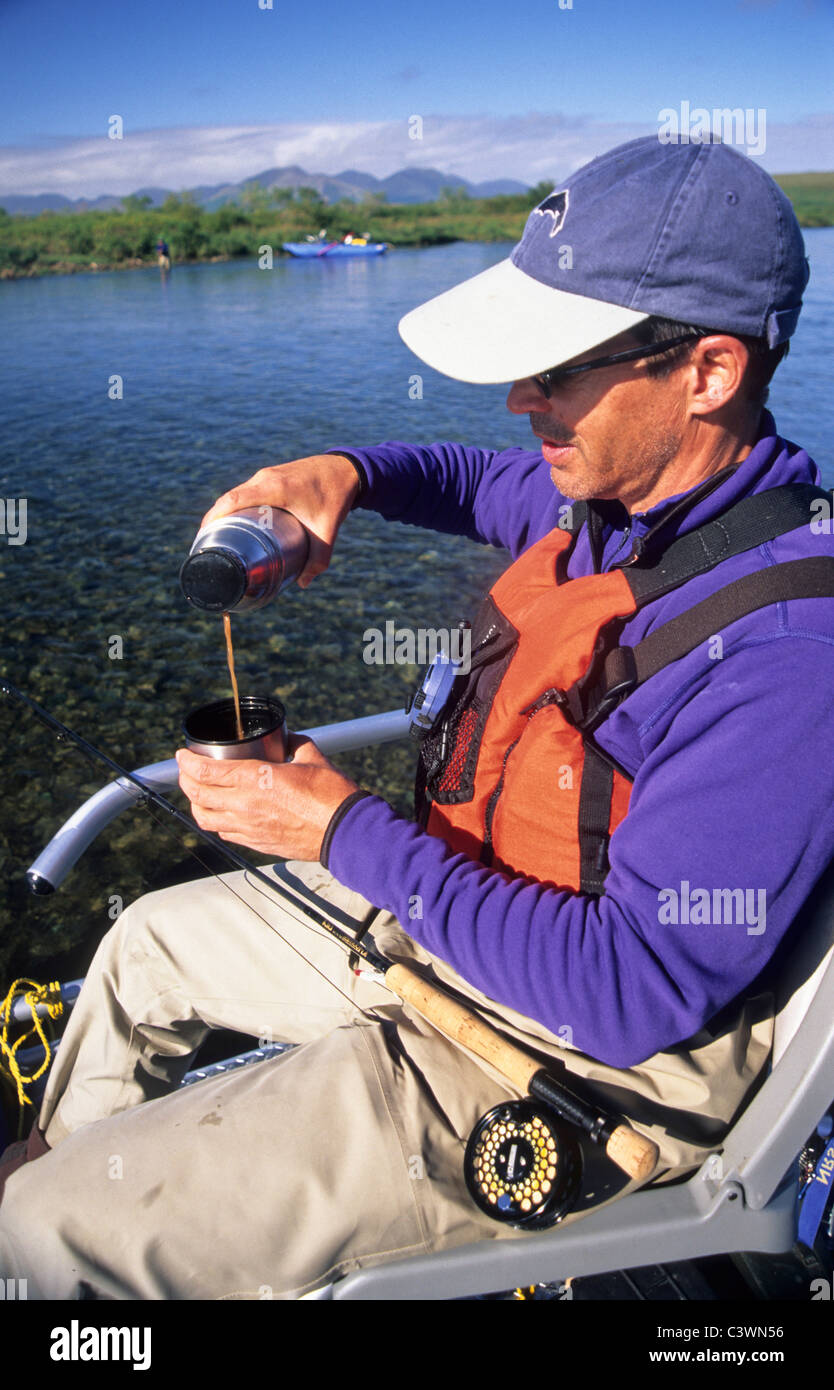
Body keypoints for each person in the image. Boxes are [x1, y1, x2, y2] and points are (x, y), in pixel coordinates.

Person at [2, 135, 833, 1300]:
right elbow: (458, 473)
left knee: (42, 1233)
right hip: (456, 919)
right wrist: (342, 471)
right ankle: (73, 1184)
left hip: (581, 1058)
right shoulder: (616, 493)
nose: (519, 400)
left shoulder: (787, 656)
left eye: (556, 366)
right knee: (139, 947)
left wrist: (339, 832)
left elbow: (633, 989)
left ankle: (57, 1249)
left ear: (707, 372)